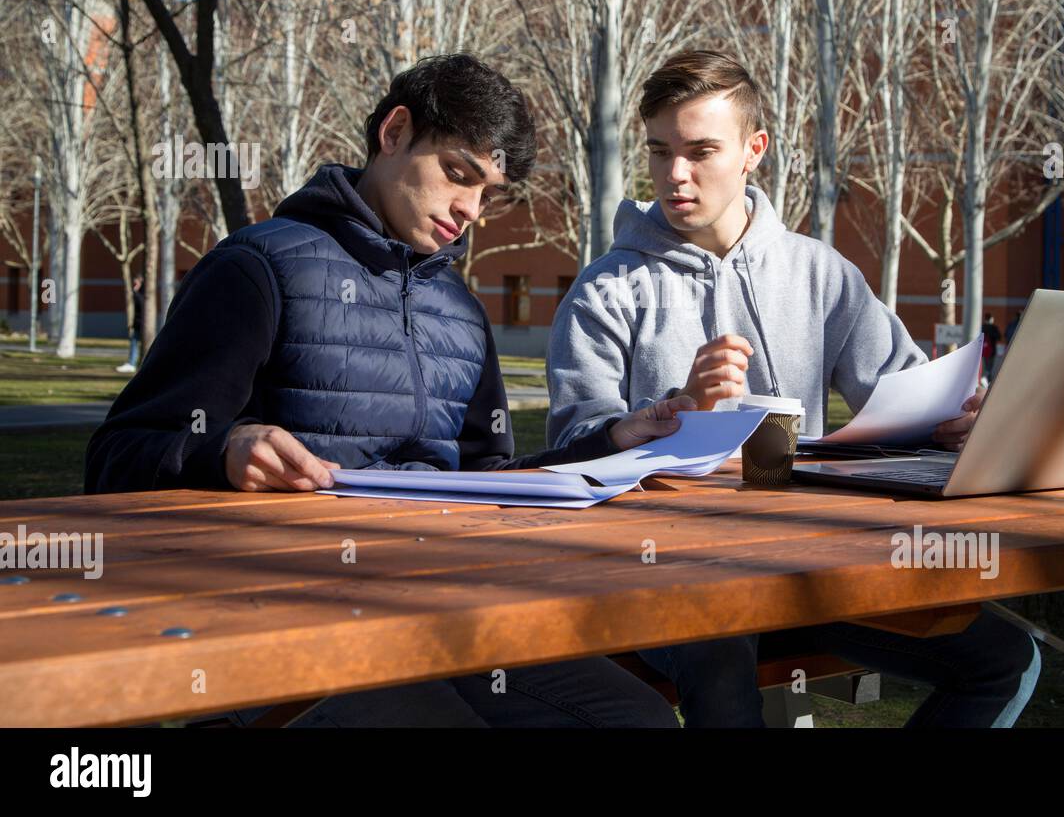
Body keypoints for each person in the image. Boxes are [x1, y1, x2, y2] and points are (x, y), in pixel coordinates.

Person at [85, 54, 691, 728]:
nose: (470, 210)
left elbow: (491, 485)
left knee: (638, 719)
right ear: (394, 132)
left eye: (489, 195)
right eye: (459, 174)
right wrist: (222, 449)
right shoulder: (256, 270)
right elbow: (116, 459)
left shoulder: (461, 311)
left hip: (452, 614)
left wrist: (614, 441)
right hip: (287, 626)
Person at [545, 49, 1040, 727]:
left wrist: (955, 421)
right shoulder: (606, 289)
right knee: (720, 652)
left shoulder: (821, 273)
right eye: (660, 152)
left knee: (1006, 659)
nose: (674, 174)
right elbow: (570, 447)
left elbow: (902, 397)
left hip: (816, 571)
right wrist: (669, 416)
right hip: (664, 577)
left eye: (700, 151)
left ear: (753, 150)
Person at [115, 276, 144, 374]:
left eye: (136, 283)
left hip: (141, 325)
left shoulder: (142, 295)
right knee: (134, 343)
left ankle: (132, 363)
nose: (134, 285)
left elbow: (141, 304)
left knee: (135, 343)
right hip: (137, 324)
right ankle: (132, 362)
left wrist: (134, 292)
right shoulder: (138, 295)